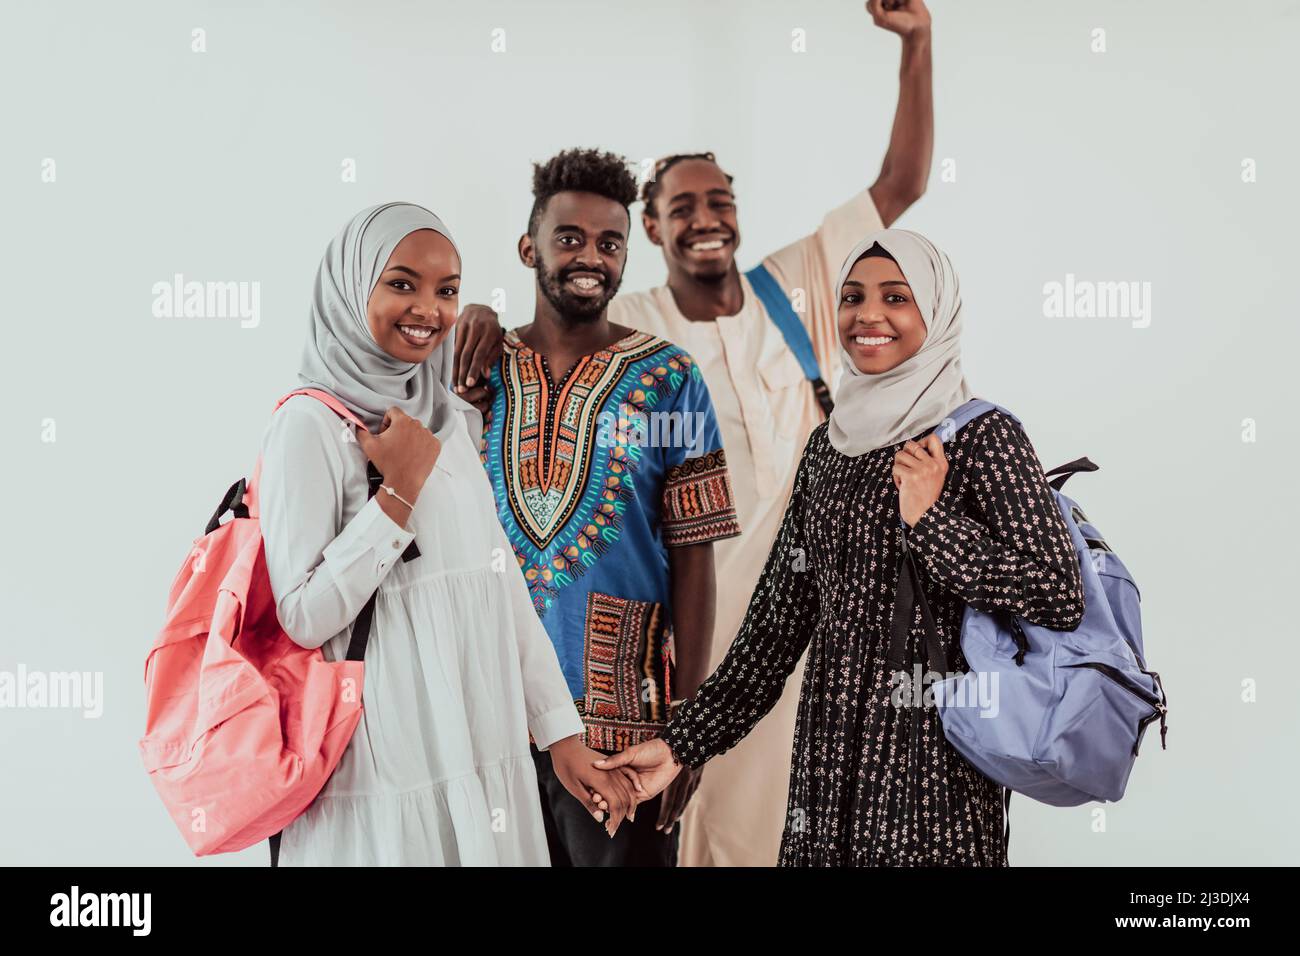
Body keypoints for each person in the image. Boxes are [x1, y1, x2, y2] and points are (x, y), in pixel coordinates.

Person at [453, 0, 936, 866]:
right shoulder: (635, 319)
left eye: (721, 199)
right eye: (682, 205)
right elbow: (559, 299)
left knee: (794, 820)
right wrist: (479, 311)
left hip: (796, 615)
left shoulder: (795, 289)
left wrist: (917, 43)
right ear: (653, 229)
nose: (706, 217)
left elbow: (897, 186)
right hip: (651, 644)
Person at [596, 229, 1086, 866]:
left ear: (935, 313)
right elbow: (774, 634)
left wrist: (934, 522)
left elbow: (1058, 592)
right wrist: (681, 745)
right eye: (852, 297)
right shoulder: (828, 450)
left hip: (936, 782)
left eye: (896, 297)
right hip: (827, 780)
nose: (869, 315)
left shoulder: (982, 437)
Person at [257, 202, 640, 866]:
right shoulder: (309, 427)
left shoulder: (448, 419)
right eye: (402, 283)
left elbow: (499, 585)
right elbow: (301, 615)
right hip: (382, 764)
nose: (428, 308)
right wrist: (397, 495)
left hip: (477, 740)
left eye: (447, 289)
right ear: (352, 289)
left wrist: (560, 734)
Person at [479, 149, 740, 866]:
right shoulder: (479, 373)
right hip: (488, 723)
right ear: (530, 247)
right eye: (570, 239)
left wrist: (689, 732)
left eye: (610, 242)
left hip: (624, 728)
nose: (590, 256)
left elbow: (695, 559)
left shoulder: (670, 380)